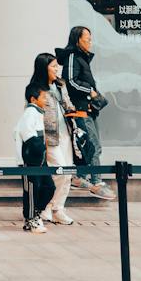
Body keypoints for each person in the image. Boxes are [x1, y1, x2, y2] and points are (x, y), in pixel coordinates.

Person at [60, 25, 114, 200]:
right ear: (78, 40)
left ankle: (81, 177)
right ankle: (96, 182)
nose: (90, 42)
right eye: (87, 39)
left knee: (87, 145)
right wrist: (90, 90)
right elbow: (70, 81)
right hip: (80, 110)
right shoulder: (72, 56)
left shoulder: (81, 57)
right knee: (93, 145)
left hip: (87, 110)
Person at [29, 51, 78, 226]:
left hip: (66, 133)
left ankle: (58, 208)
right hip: (49, 137)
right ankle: (48, 206)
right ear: (44, 68)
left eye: (57, 65)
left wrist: (74, 111)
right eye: (53, 66)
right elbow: (32, 112)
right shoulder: (35, 89)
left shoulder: (60, 85)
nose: (57, 69)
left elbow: (67, 103)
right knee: (60, 172)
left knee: (68, 173)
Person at [14, 83, 51, 233]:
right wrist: (41, 147)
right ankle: (30, 219)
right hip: (30, 161)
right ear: (33, 99)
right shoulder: (30, 112)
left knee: (49, 187)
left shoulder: (38, 112)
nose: (46, 99)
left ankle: (35, 214)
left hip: (40, 161)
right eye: (43, 97)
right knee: (31, 189)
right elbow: (26, 133)